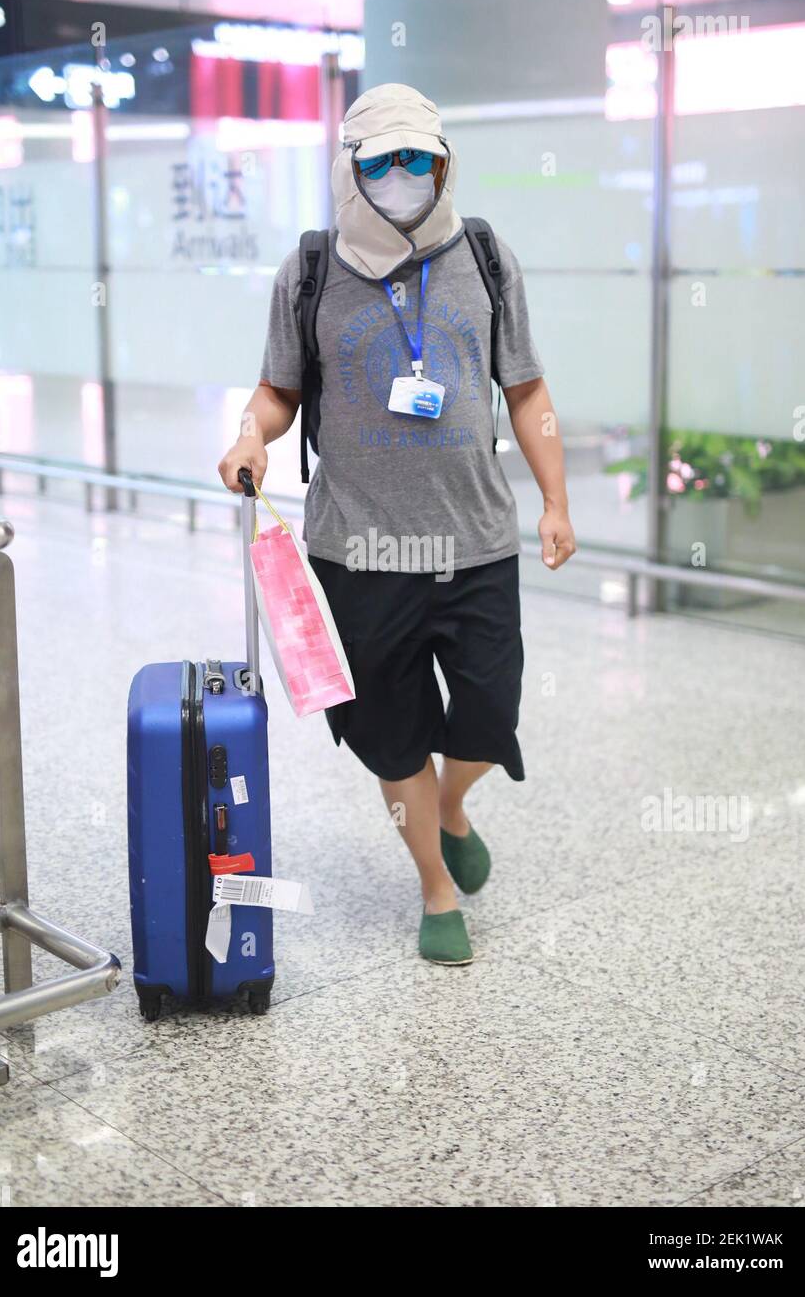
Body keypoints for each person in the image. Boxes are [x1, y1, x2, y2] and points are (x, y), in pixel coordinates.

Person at [219, 82, 576, 966]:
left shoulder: (486, 257)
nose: (404, 175)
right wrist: (248, 436)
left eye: (420, 158)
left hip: (477, 540)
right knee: (391, 730)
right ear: (350, 170)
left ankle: (453, 803)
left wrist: (556, 501)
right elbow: (279, 391)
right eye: (383, 161)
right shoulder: (309, 271)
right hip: (361, 549)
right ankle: (435, 884)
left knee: (490, 710)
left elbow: (525, 388)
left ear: (445, 162)